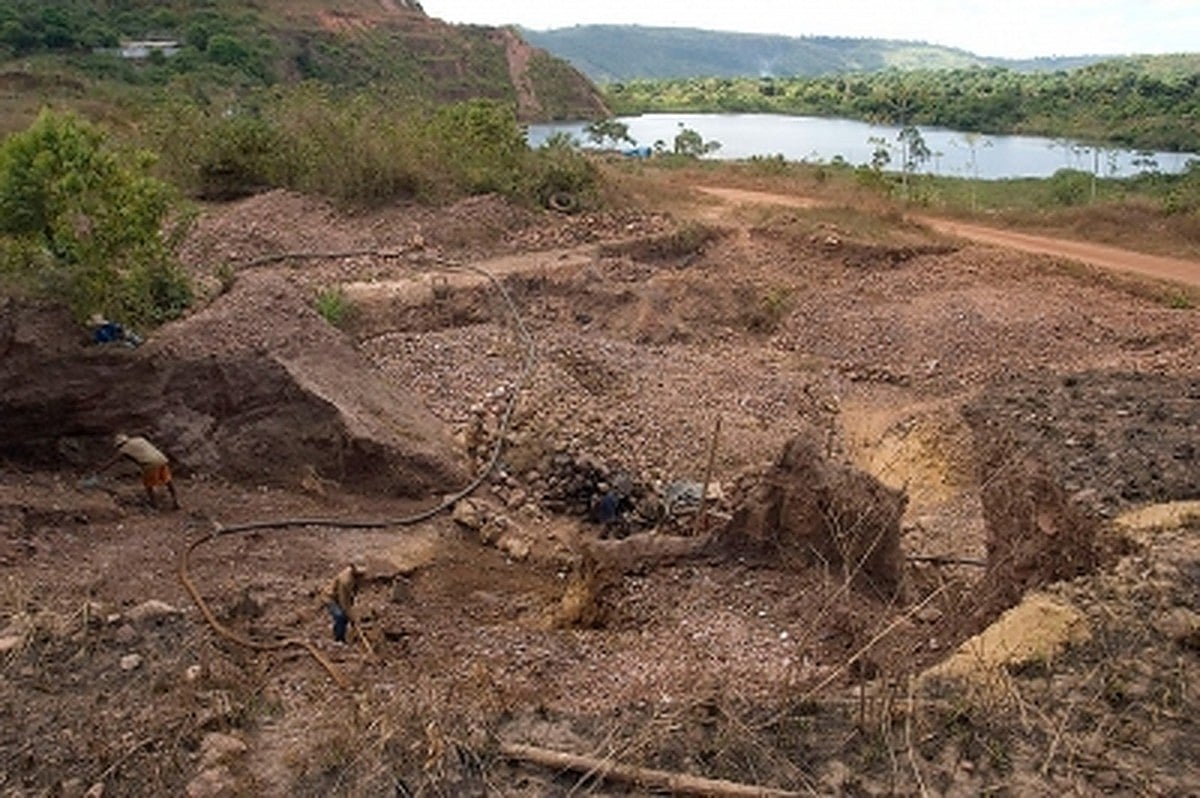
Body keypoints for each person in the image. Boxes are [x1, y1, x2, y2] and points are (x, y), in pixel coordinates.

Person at [99, 433, 180, 510]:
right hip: (161, 459)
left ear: (119, 444)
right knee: (168, 481)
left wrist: (100, 470)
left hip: (150, 464)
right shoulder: (139, 439)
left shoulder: (124, 449)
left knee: (148, 485)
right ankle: (176, 500)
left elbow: (113, 461)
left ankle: (154, 504)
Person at [324, 564, 366, 644]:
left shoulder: (354, 575)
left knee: (345, 617)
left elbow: (353, 592)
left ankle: (341, 631)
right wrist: (351, 616)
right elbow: (344, 602)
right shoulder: (345, 581)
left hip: (340, 596)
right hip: (330, 597)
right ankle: (339, 639)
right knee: (340, 616)